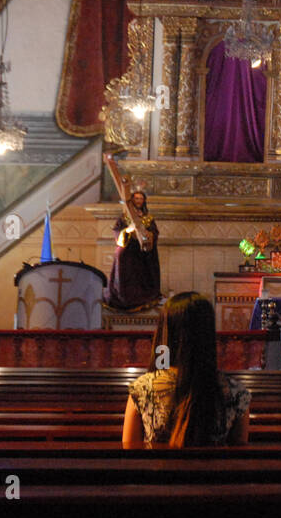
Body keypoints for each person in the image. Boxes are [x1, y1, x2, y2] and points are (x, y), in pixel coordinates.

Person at [122, 292, 250, 447]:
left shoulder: (142, 389)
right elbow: (240, 456)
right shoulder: (235, 392)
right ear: (208, 335)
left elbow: (129, 451)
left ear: (165, 333)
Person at [107, 189, 161, 311]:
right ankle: (124, 298)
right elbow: (117, 233)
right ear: (132, 201)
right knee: (127, 276)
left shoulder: (148, 218)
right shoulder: (124, 218)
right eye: (136, 199)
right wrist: (127, 231)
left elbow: (155, 233)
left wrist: (149, 235)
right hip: (128, 253)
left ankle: (144, 297)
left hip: (143, 254)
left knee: (143, 276)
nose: (139, 201)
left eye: (141, 199)